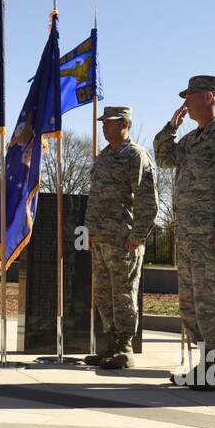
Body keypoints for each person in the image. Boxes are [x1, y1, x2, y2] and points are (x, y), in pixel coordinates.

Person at [154, 76, 215, 390]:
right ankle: (207, 366)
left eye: (190, 96)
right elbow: (164, 157)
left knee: (212, 305)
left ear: (209, 97)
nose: (186, 103)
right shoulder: (192, 140)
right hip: (188, 240)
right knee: (192, 306)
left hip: (213, 240)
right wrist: (171, 126)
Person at [84, 106, 158, 370]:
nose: (104, 126)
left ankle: (125, 348)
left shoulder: (135, 155)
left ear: (125, 123)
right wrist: (91, 233)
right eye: (103, 122)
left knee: (124, 294)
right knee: (104, 295)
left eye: (110, 122)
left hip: (123, 240)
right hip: (101, 240)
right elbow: (96, 198)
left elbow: (148, 199)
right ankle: (110, 346)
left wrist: (137, 236)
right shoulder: (103, 157)